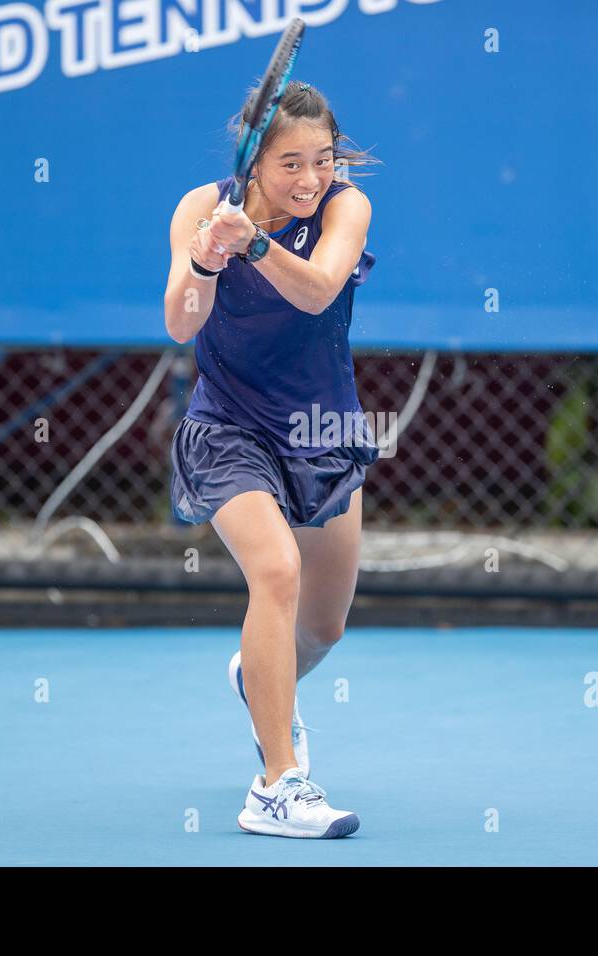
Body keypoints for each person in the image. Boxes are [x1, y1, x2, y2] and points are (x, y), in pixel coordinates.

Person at [162, 80, 379, 839]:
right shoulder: (200, 206)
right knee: (276, 572)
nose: (310, 179)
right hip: (229, 428)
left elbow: (319, 292)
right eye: (291, 163)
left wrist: (252, 244)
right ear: (253, 160)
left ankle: (259, 676)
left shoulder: (345, 208)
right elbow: (182, 325)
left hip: (322, 430)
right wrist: (206, 258)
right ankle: (278, 785)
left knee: (321, 629)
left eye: (322, 159)